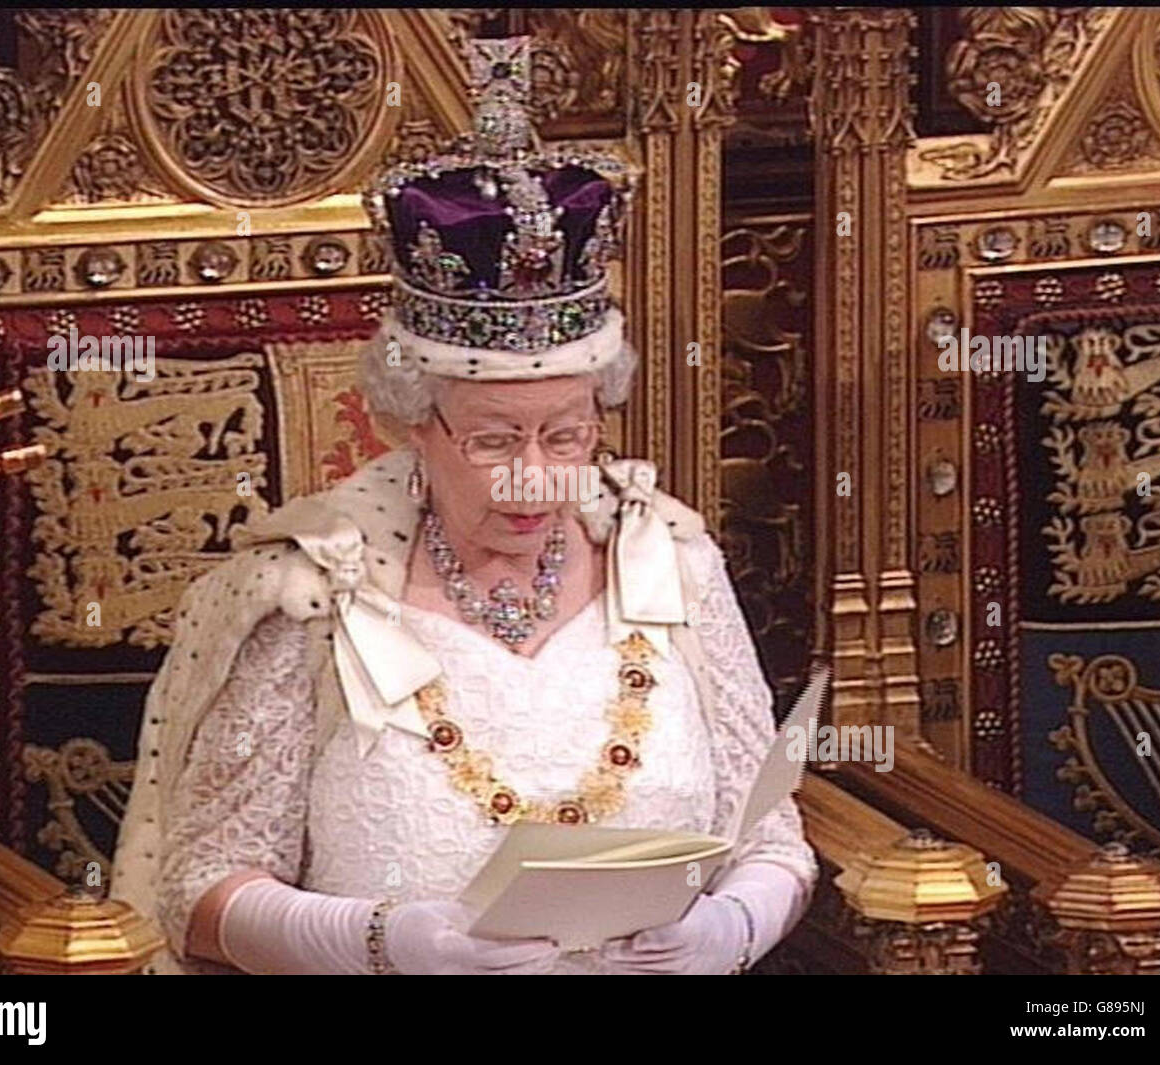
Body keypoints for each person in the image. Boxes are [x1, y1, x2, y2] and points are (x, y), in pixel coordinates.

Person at [111, 35, 816, 975]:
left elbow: (773, 842)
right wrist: (380, 941)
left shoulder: (672, 561)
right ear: (414, 425)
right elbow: (199, 889)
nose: (531, 473)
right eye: (491, 440)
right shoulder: (310, 594)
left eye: (564, 435)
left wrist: (727, 928)